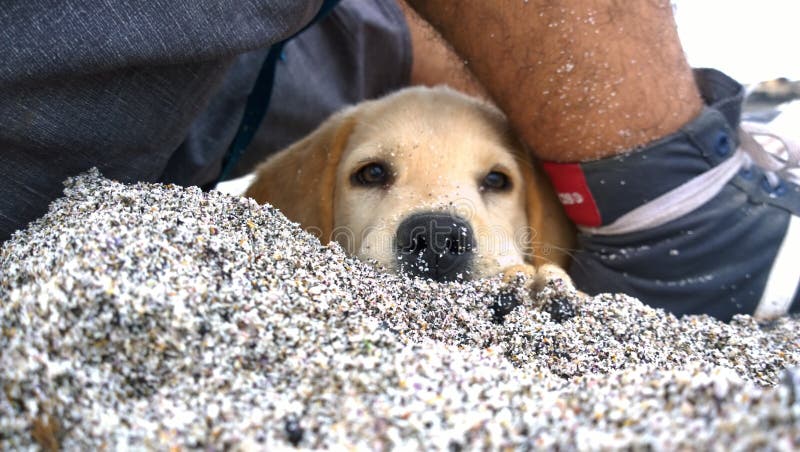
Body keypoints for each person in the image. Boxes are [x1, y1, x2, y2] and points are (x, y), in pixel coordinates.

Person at [0, 0, 797, 320]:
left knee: (382, 34)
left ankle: (671, 135)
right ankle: (677, 210)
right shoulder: (292, 195)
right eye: (373, 176)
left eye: (495, 184)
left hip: (164, 86)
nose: (440, 225)